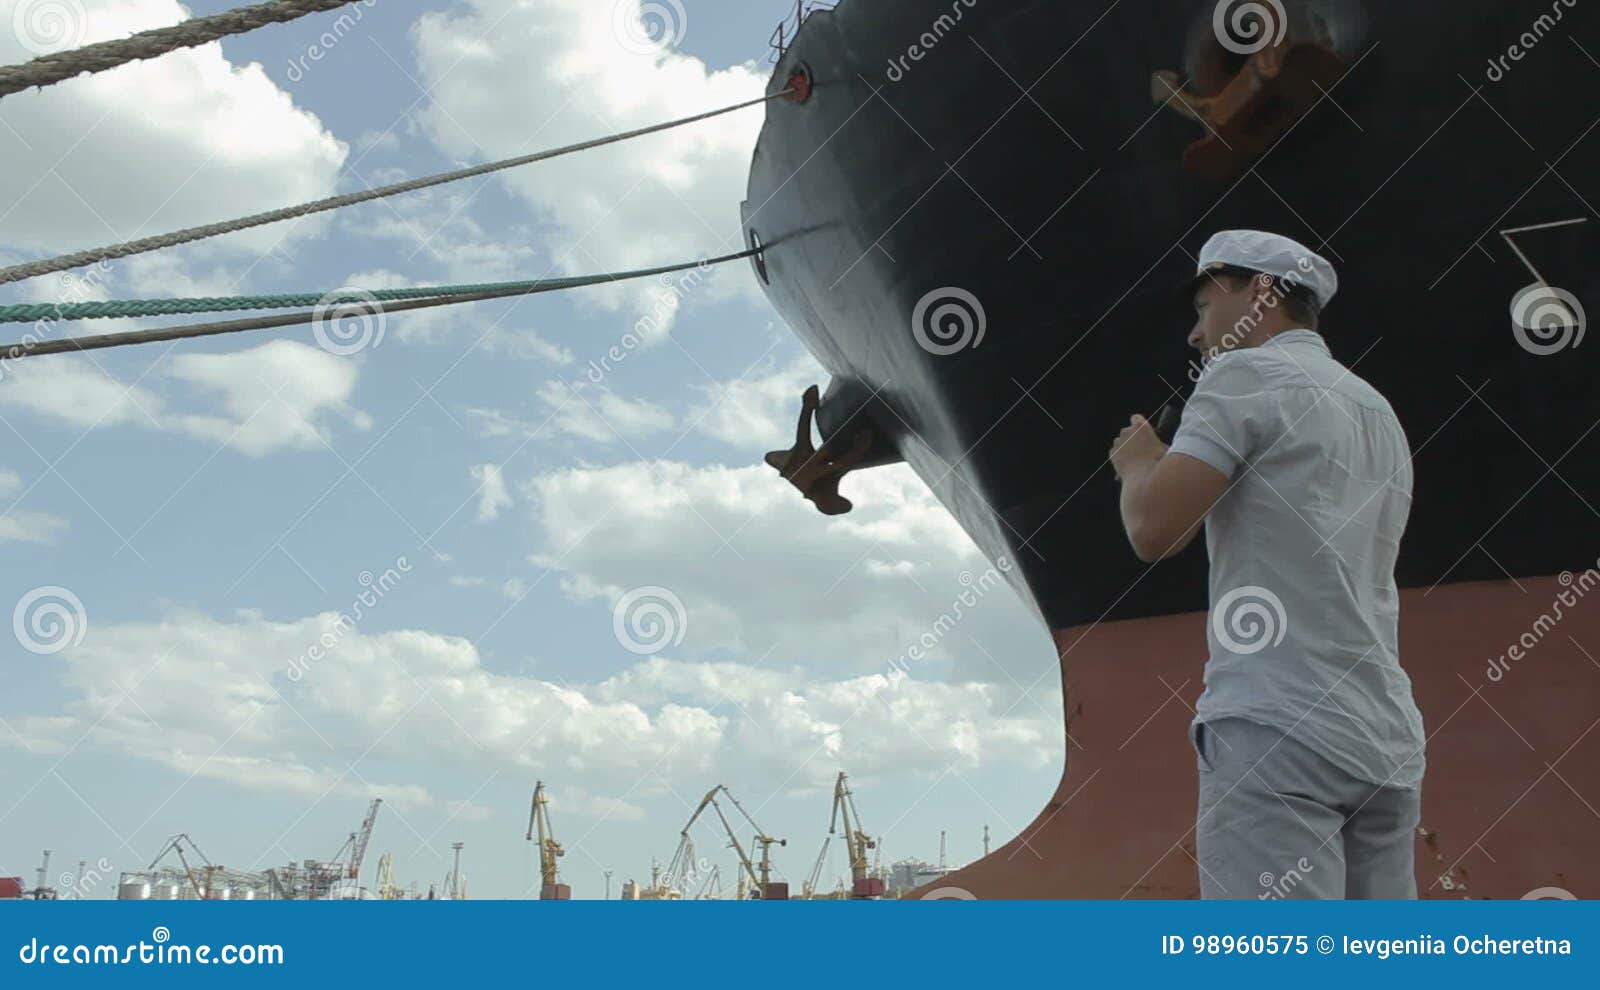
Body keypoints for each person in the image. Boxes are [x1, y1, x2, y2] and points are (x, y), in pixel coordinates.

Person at [1107, 230, 1426, 899]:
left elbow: (1155, 529)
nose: (1196, 335)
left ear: (1260, 291)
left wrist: (1138, 463)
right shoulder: (1377, 410)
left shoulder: (1242, 374)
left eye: (1203, 305)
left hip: (1277, 727)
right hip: (1385, 740)